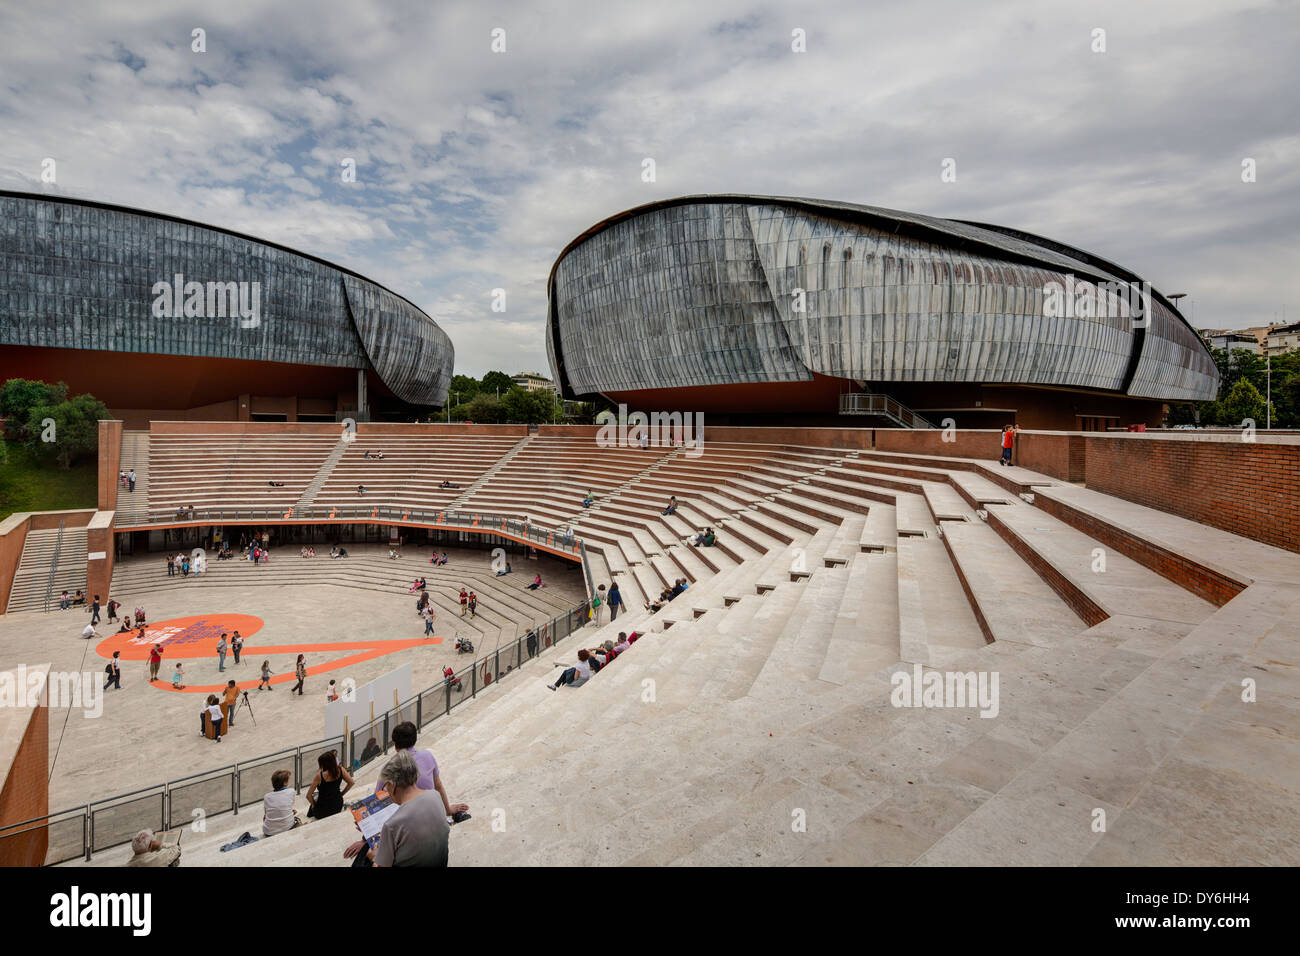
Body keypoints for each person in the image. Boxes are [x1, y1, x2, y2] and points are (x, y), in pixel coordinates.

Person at [370, 752, 450, 867]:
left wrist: (373, 857)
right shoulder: (435, 796)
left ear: (392, 785)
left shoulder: (392, 825)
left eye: (386, 786)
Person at [306, 750, 353, 820]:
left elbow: (308, 796)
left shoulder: (320, 776)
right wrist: (341, 794)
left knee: (313, 804)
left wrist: (313, 805)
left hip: (323, 810)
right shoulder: (341, 769)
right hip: (337, 805)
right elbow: (351, 783)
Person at [262, 770, 300, 836]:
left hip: (269, 832)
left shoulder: (267, 796)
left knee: (265, 817)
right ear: (285, 783)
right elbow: (287, 805)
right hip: (288, 827)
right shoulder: (291, 791)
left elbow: (266, 814)